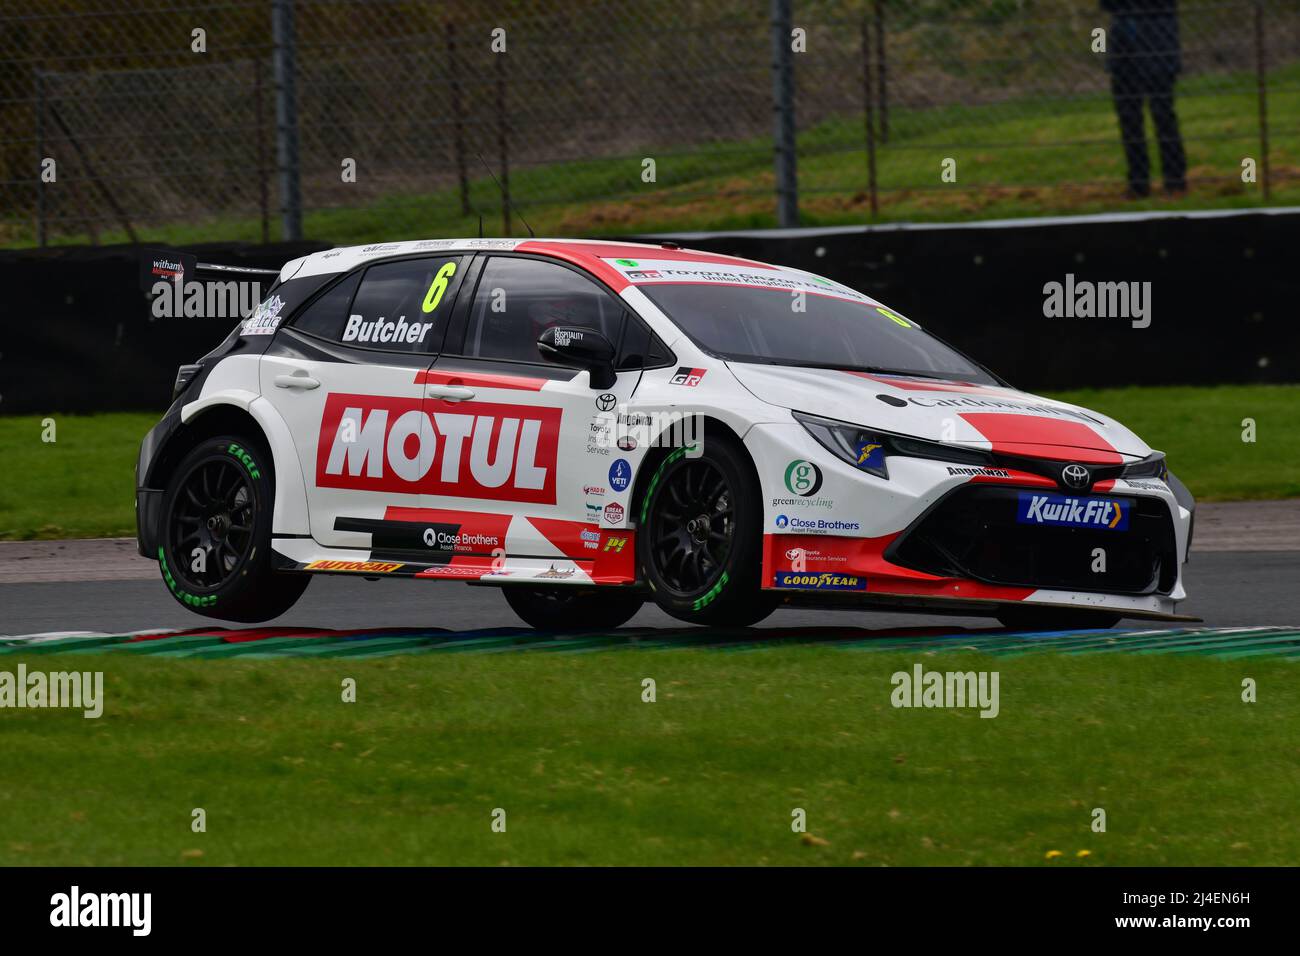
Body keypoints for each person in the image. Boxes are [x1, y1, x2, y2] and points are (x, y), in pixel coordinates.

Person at [1102, 0, 1187, 197]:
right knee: (1129, 118)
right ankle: (1138, 183)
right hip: (1124, 54)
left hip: (1159, 48)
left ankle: (1174, 182)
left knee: (1163, 115)